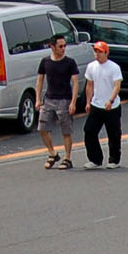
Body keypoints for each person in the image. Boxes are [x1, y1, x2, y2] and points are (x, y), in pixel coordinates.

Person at [34, 33, 81, 170]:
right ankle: (52, 153)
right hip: (49, 99)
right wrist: (38, 98)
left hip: (64, 99)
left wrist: (73, 102)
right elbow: (40, 80)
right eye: (60, 46)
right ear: (52, 47)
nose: (63, 48)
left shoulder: (70, 62)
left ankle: (67, 158)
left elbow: (76, 82)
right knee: (42, 129)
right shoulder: (45, 61)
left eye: (65, 46)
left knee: (66, 131)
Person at [81, 40, 124, 170]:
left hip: (112, 106)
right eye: (96, 51)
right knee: (89, 131)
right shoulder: (91, 66)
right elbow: (89, 85)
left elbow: (117, 86)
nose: (97, 54)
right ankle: (95, 159)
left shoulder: (114, 67)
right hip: (96, 104)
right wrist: (88, 102)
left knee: (114, 134)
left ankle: (114, 160)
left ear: (106, 53)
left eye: (100, 52)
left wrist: (110, 100)